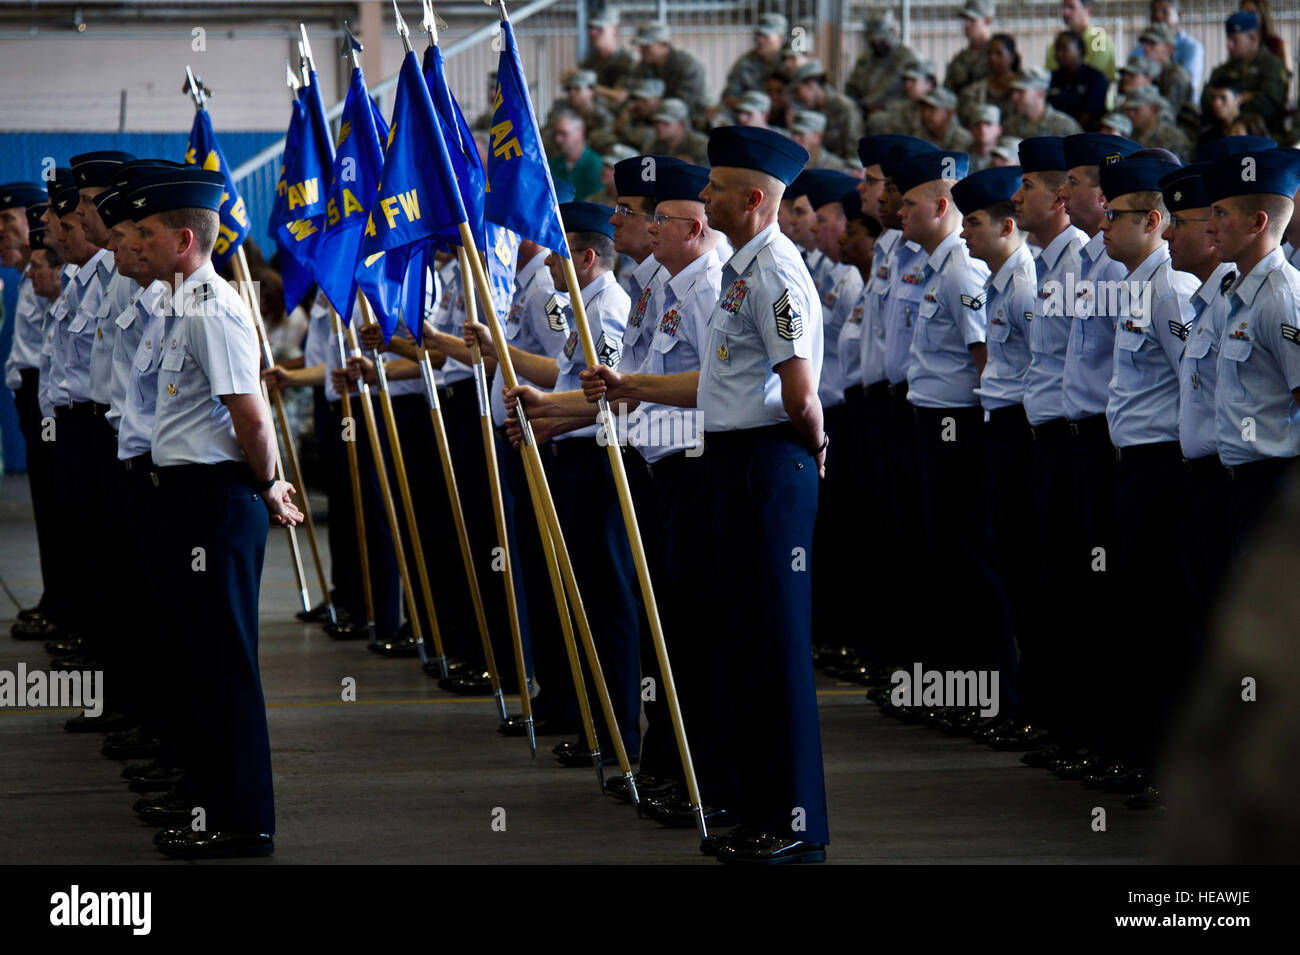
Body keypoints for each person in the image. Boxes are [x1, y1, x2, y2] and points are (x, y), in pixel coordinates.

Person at [582, 126, 828, 864]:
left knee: (776, 651)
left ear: (753, 200)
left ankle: (793, 821)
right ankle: (758, 809)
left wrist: (812, 449)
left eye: (718, 186)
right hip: (733, 462)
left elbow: (800, 392)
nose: (704, 193)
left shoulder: (777, 273)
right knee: (744, 645)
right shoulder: (743, 274)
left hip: (766, 463)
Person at [122, 166, 303, 859]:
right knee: (198, 661)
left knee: (226, 666)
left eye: (146, 231)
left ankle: (243, 819)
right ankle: (204, 799)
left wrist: (272, 481)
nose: (134, 240)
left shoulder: (211, 307)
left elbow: (251, 416)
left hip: (219, 500)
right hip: (192, 498)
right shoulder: (183, 303)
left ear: (183, 241)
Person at [1095, 153, 1198, 801]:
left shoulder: (1171, 289)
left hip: (1165, 469)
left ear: (1154, 221)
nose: (1104, 226)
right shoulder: (1137, 282)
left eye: (1117, 215)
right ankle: (1145, 752)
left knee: (1166, 620)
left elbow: (1195, 385)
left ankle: (1173, 764)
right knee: (1139, 618)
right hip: (1134, 468)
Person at [952, 163, 1036, 729]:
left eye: (975, 223)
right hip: (998, 425)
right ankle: (1007, 697)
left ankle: (1021, 700)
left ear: (1008, 226)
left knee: (1020, 569)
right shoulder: (1000, 280)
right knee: (999, 558)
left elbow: (1040, 371)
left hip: (1020, 431)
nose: (964, 234)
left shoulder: (1025, 286)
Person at [1205, 147, 1300, 551]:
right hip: (1235, 482)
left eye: (1221, 214)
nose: (1209, 227)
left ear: (1259, 222)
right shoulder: (1239, 292)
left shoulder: (1284, 297)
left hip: (1270, 485)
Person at [1, 183, 60, 638]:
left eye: (8, 219)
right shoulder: (26, 275)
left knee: (63, 511)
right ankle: (55, 598)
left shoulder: (52, 274)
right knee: (51, 508)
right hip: (34, 398)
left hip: (53, 400)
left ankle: (63, 604)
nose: (1, 232)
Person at [1201, 11, 1290, 139]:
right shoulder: (1222, 70)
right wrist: (1246, 96)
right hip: (1223, 134)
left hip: (1266, 136)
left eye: (1234, 39)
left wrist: (1233, 107)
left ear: (1253, 39)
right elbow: (1206, 101)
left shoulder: (1272, 66)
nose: (1228, 44)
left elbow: (1269, 105)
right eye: (1228, 38)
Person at [846, 10, 921, 115]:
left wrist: (884, 107)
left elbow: (915, 97)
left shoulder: (907, 59)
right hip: (861, 111)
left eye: (881, 40)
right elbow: (851, 89)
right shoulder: (864, 60)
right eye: (873, 41)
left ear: (893, 31)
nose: (877, 44)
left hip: (893, 114)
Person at [629, 21, 710, 117]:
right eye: (640, 46)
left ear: (664, 44)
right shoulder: (643, 66)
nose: (641, 51)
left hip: (697, 116)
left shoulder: (688, 66)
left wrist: (656, 105)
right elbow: (632, 92)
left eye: (647, 46)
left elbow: (685, 104)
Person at [789, 58, 863, 161]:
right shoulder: (809, 109)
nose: (797, 96)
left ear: (811, 85)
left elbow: (855, 151)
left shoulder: (844, 107)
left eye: (798, 90)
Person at [1127, 0, 1204, 93]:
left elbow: (1188, 86)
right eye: (1154, 13)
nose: (1158, 17)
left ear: (1179, 15)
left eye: (1165, 12)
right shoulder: (1139, 50)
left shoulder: (1192, 47)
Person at [723, 11, 788, 111]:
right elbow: (729, 97)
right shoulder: (745, 63)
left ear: (781, 38)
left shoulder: (790, 62)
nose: (759, 40)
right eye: (758, 35)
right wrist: (751, 105)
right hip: (752, 115)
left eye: (765, 36)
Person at [1049, 30, 1110, 132]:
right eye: (1057, 49)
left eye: (1064, 49)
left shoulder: (1095, 78)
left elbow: (1089, 113)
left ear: (1079, 50)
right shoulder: (1052, 77)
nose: (1058, 54)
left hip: (1087, 136)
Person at [958, 33, 1020, 129]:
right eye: (989, 53)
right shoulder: (975, 90)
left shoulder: (1022, 91)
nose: (992, 58)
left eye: (998, 53)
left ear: (1012, 57)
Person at [1045, 0, 1116, 82]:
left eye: (1071, 7)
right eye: (1063, 7)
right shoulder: (1056, 45)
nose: (1065, 12)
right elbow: (1050, 78)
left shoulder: (1100, 42)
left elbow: (1097, 81)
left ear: (1088, 9)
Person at [1004, 67, 1083, 140]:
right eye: (1014, 91)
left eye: (1021, 91)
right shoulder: (1011, 125)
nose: (1014, 97)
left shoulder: (1063, 126)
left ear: (1040, 93)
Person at [1121, 85, 1191, 160]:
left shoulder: (1174, 138)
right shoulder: (1124, 133)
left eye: (1136, 110)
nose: (1130, 114)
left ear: (1154, 109)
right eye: (1128, 110)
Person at [548, 111, 604, 201]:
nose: (557, 139)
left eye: (563, 133)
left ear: (580, 133)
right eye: (556, 134)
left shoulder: (596, 165)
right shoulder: (551, 165)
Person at [946, 0, 995, 96]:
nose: (966, 25)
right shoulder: (960, 59)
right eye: (965, 19)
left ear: (987, 21)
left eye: (972, 20)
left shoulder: (999, 54)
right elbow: (948, 92)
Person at [644, 98, 709, 164]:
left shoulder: (700, 145)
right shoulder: (654, 144)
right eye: (656, 122)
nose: (659, 126)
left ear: (681, 124)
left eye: (665, 123)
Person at [967, 104, 1004, 172]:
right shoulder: (963, 158)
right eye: (977, 125)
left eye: (988, 124)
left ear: (999, 129)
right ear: (971, 129)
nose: (982, 129)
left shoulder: (1005, 159)